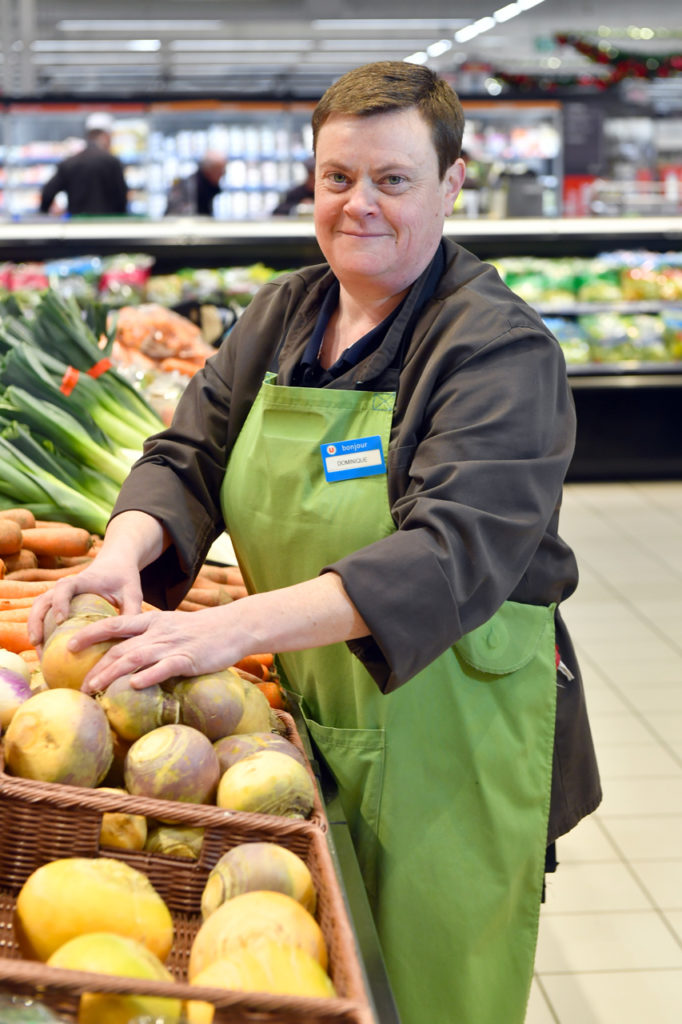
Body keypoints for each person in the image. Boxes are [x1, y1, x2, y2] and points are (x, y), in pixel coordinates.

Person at [29, 61, 601, 1024]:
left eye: (392, 179)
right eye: (337, 179)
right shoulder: (287, 313)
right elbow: (187, 453)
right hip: (306, 706)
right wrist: (121, 550)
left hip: (447, 731)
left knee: (429, 986)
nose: (358, 205)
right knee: (298, 973)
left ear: (452, 184)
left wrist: (227, 629)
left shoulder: (498, 351)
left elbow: (451, 551)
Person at [39, 112, 128, 217]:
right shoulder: (113, 162)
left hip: (78, 226)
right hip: (107, 225)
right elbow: (122, 198)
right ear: (106, 137)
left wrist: (45, 214)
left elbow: (47, 193)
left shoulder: (70, 163)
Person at [164, 151, 227, 216]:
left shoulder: (210, 188)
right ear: (209, 170)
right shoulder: (187, 187)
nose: (223, 174)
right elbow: (177, 218)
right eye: (220, 170)